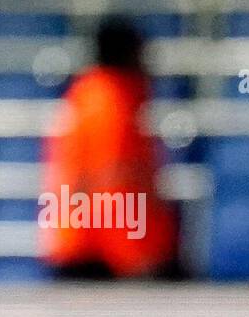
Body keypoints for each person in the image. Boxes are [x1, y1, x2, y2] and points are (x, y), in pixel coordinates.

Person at [40, 18, 179, 279]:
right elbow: (109, 183)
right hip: (95, 254)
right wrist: (132, 258)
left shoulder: (89, 95)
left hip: (86, 245)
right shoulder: (109, 104)